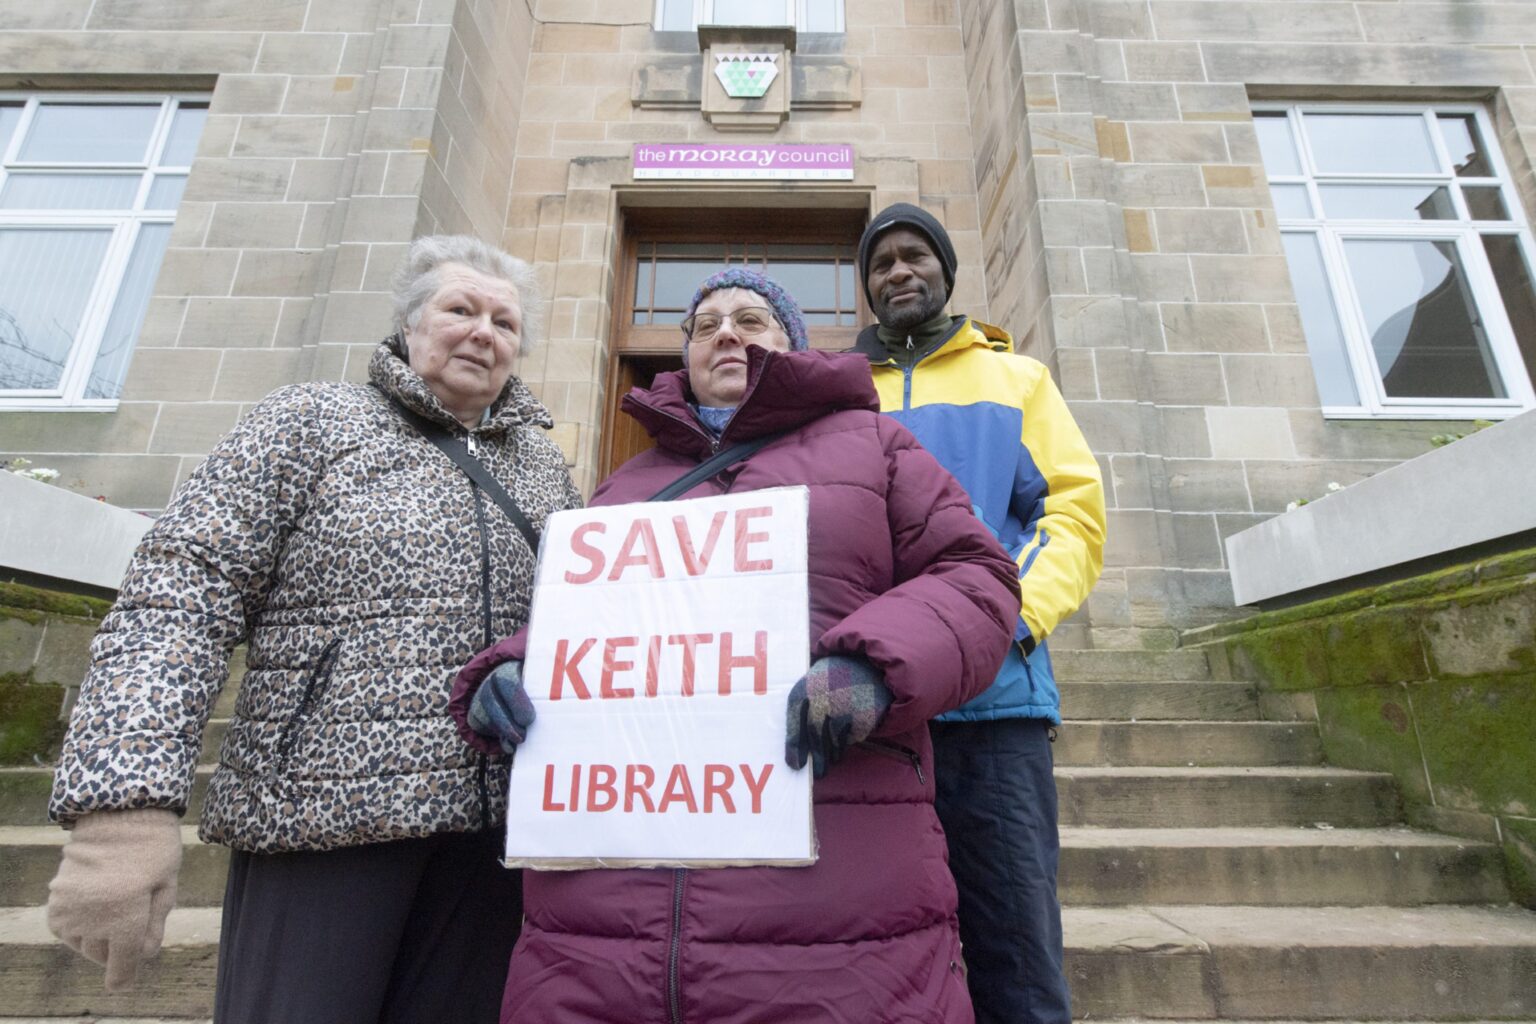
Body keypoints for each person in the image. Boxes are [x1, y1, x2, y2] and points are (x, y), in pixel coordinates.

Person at [449, 267, 1021, 1024]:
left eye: (751, 320)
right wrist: (517, 667)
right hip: (607, 919)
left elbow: (976, 577)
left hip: (834, 871)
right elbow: (588, 618)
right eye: (706, 323)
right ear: (683, 355)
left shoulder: (877, 445)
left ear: (791, 345)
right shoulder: (627, 483)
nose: (726, 333)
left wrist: (873, 664)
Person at [45, 234, 583, 1023]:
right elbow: (181, 593)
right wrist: (123, 810)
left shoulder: (543, 469)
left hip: (491, 837)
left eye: (505, 323)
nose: (483, 333)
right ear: (408, 323)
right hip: (322, 822)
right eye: (460, 310)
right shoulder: (309, 421)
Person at [851, 203, 1108, 1024]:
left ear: (946, 271)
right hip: (869, 712)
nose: (898, 271)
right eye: (881, 262)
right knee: (875, 957)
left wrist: (1002, 622)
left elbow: (1070, 515)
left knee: (1016, 956)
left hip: (992, 706)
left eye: (914, 256)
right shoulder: (839, 397)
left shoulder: (1016, 379)